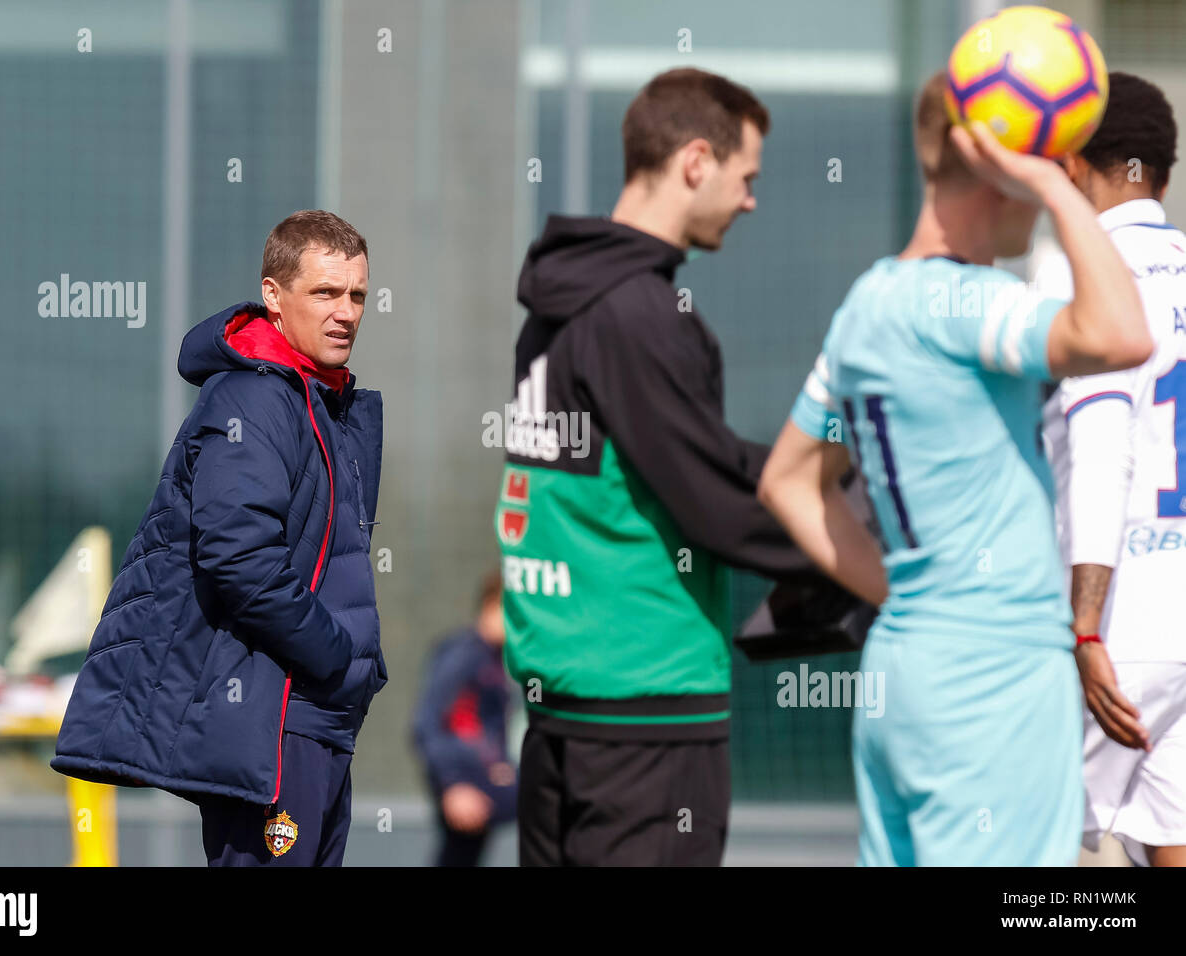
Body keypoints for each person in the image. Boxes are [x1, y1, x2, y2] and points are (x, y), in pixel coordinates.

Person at [758, 72, 1152, 866]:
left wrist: (910, 593)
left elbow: (788, 481)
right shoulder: (968, 306)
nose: (1047, 196)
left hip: (903, 668)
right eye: (1042, 171)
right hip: (993, 682)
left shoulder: (867, 303)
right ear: (1000, 172)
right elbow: (1120, 334)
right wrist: (1053, 179)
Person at [495, 67, 823, 867]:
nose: (751, 201)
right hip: (647, 722)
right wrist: (869, 557)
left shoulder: (560, 302)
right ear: (696, 162)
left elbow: (667, 456)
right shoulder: (638, 313)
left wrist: (827, 474)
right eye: (747, 178)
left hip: (564, 713)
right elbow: (712, 501)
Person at [52, 210, 386, 867]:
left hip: (315, 717)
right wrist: (333, 654)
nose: (345, 311)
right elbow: (237, 555)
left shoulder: (324, 402)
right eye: (324, 293)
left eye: (356, 296)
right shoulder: (254, 399)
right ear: (274, 296)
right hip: (276, 720)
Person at [1037, 72, 1186, 867]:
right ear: (1160, 170)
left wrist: (1085, 626)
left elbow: (1101, 450)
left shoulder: (1078, 274)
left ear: (1073, 164)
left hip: (1119, 619)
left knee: (1029, 856)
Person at [412, 572, 518, 866]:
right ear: (492, 604)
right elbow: (427, 723)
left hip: (480, 777)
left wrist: (500, 764)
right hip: (462, 781)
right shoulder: (463, 653)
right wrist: (453, 784)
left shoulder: (494, 658)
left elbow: (485, 726)